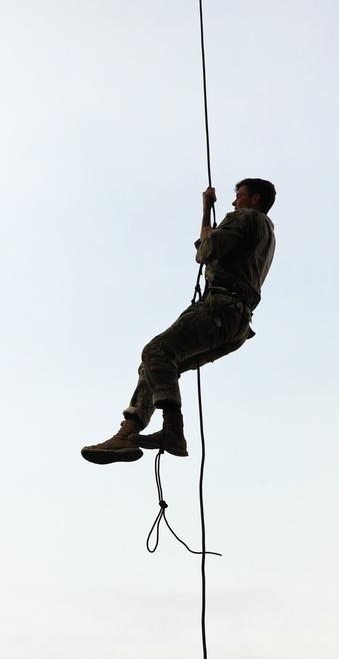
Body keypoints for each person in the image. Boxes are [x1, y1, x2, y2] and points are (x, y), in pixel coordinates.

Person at [81, 179, 275, 464]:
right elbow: (209, 250)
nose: (234, 202)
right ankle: (126, 435)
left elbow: (205, 251)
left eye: (239, 196)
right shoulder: (266, 233)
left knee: (156, 352)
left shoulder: (247, 217)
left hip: (222, 309)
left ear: (255, 199)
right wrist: (206, 212)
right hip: (237, 323)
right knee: (155, 367)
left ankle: (174, 430)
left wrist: (206, 216)